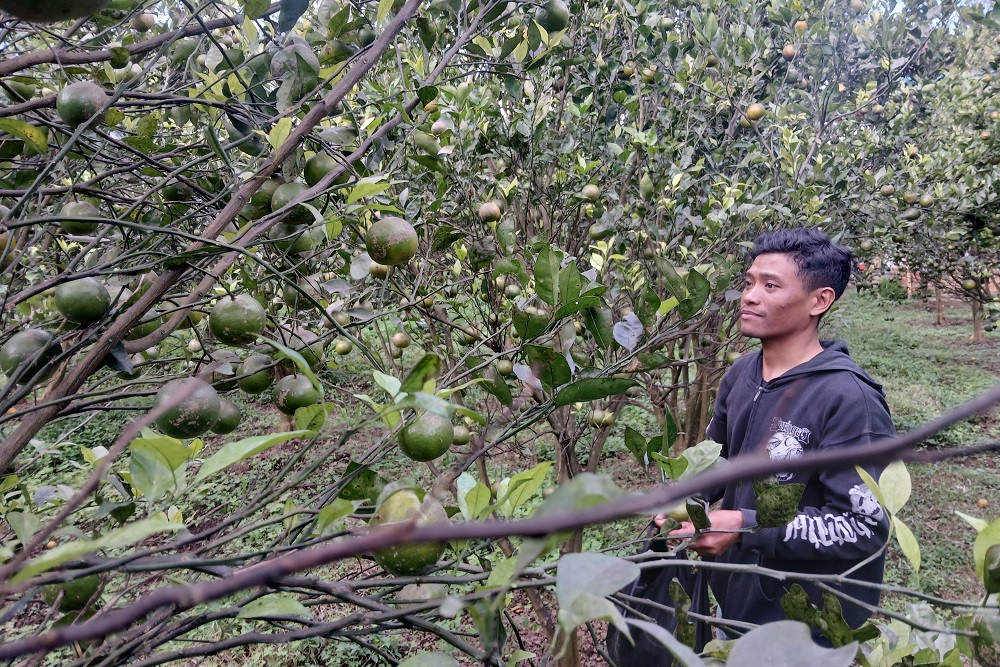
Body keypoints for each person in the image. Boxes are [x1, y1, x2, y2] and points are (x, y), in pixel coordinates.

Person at [656, 227, 896, 636]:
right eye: (749, 283)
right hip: (736, 603)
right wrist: (689, 501)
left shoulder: (850, 400)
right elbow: (716, 460)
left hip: (805, 624)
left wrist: (746, 526)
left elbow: (863, 526)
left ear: (819, 301)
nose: (749, 296)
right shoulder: (741, 374)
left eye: (771, 285)